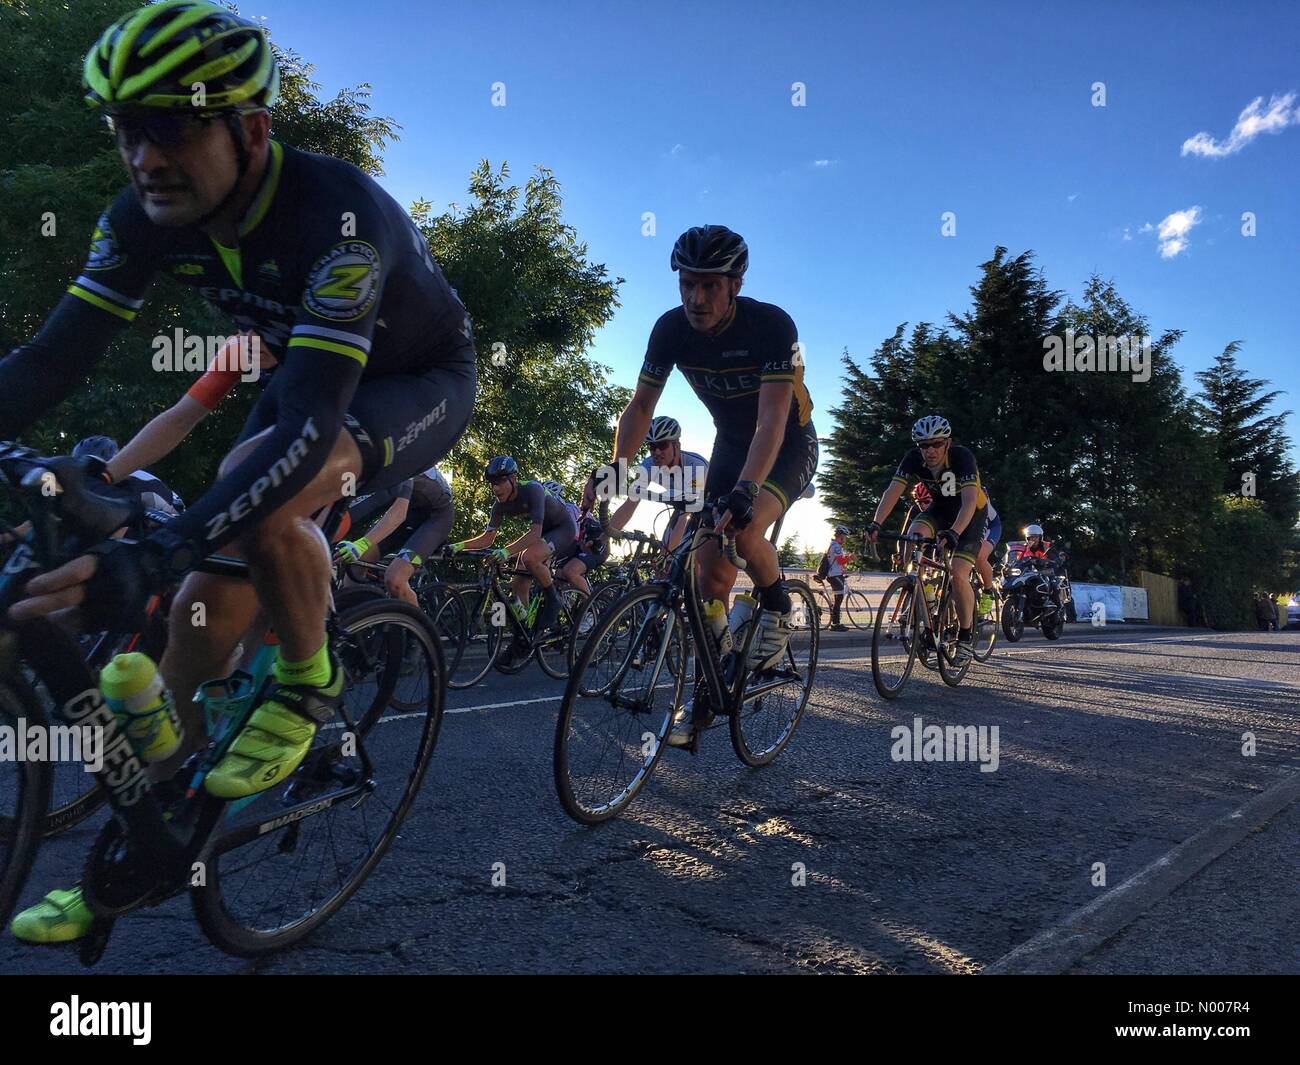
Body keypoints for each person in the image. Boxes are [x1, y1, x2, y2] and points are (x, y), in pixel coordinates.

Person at [4, 2, 476, 943]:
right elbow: (53, 362)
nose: (144, 155)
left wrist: (165, 542)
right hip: (308, 375)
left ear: (250, 128)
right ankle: (151, 833)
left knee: (260, 501)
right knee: (193, 618)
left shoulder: (336, 220)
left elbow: (308, 426)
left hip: (410, 379)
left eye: (172, 125)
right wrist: (165, 548)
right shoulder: (143, 216)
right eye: (128, 128)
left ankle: (308, 682)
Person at [604, 225, 818, 746]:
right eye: (686, 284)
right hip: (730, 441)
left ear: (735, 284)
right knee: (706, 574)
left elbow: (771, 421)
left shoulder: (771, 326)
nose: (696, 298)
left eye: (709, 286)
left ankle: (777, 607)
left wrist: (745, 492)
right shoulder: (670, 329)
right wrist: (615, 472)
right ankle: (709, 690)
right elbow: (640, 408)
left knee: (744, 533)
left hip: (786, 440)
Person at [866, 415, 987, 663]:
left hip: (970, 514)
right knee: (914, 533)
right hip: (940, 510)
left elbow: (969, 502)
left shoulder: (962, 457)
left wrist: (954, 532)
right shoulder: (913, 458)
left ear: (947, 443)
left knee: (958, 573)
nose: (929, 450)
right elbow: (892, 492)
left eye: (936, 444)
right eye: (923, 445)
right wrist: (876, 523)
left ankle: (965, 636)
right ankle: (920, 592)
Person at [450, 457, 575, 663]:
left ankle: (553, 600)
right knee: (517, 583)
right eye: (492, 484)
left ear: (514, 479)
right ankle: (524, 635)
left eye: (500, 482)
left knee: (529, 557)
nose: (496, 489)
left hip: (563, 529)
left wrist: (506, 552)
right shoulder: (499, 507)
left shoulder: (532, 489)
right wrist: (459, 545)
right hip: (543, 534)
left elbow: (534, 535)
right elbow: (488, 538)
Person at [334, 466, 456, 606]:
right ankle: (356, 619)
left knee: (395, 579)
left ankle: (418, 627)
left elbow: (398, 514)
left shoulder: (404, 458)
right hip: (408, 517)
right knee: (355, 563)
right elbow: (349, 505)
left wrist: (362, 544)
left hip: (436, 518)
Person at [606, 415, 708, 553]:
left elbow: (686, 514)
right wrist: (604, 537)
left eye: (663, 445)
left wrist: (668, 555)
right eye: (652, 446)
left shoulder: (695, 466)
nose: (657, 452)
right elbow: (630, 504)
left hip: (709, 502)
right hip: (682, 503)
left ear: (677, 445)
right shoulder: (648, 466)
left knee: (689, 549)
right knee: (667, 545)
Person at [822, 524, 854, 631]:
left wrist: (843, 569)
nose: (845, 539)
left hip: (835, 574)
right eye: (845, 537)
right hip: (834, 575)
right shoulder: (836, 546)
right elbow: (841, 560)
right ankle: (835, 624)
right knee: (839, 599)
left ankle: (835, 623)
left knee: (838, 599)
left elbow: (837, 562)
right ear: (840, 535)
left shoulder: (835, 545)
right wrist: (850, 558)